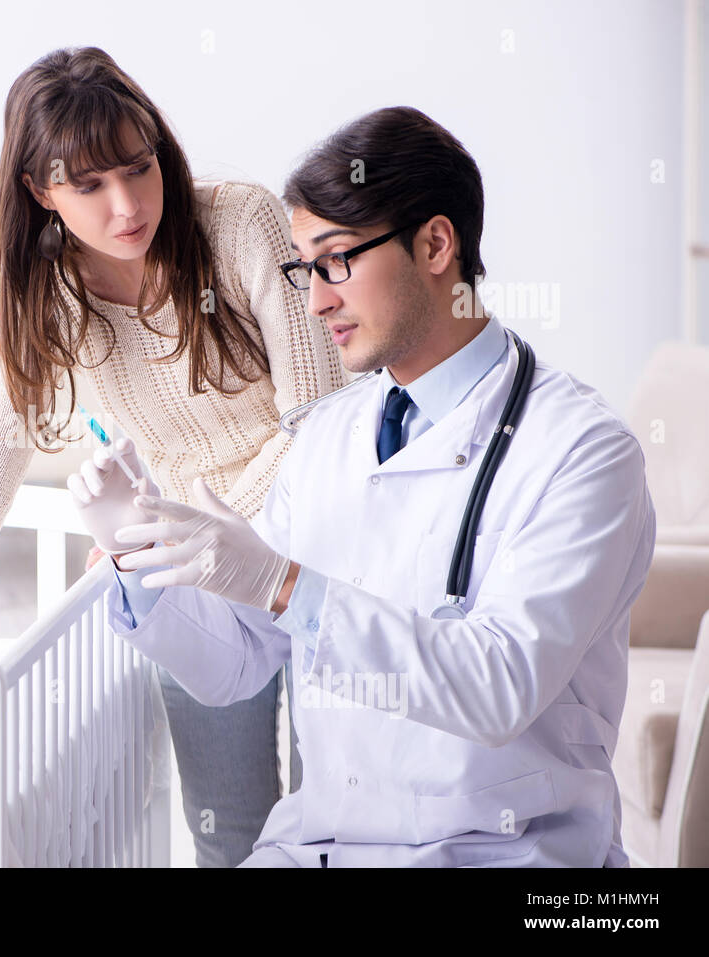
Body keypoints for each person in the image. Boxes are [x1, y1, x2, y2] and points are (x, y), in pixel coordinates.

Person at [71, 105, 657, 866]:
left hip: (503, 849)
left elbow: (499, 685)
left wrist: (284, 583)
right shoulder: (326, 435)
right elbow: (238, 663)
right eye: (304, 269)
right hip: (321, 842)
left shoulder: (582, 450)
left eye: (337, 260)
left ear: (436, 244)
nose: (317, 301)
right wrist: (135, 550)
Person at [0, 46, 347, 866]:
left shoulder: (240, 223)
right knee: (228, 832)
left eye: (139, 167)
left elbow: (319, 422)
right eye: (90, 185)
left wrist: (191, 530)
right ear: (41, 191)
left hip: (316, 547)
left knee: (343, 824)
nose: (127, 204)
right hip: (192, 577)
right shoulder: (42, 291)